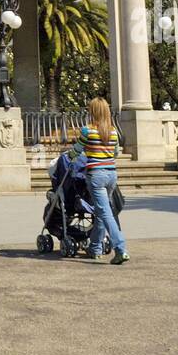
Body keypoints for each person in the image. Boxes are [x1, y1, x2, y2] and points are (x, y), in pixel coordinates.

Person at [75, 98, 128, 265]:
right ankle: (95, 247)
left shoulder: (87, 131)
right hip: (111, 174)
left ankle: (120, 248)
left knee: (105, 213)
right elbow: (116, 153)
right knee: (100, 212)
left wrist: (69, 157)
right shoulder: (112, 131)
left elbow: (76, 151)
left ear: (93, 112)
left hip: (96, 175)